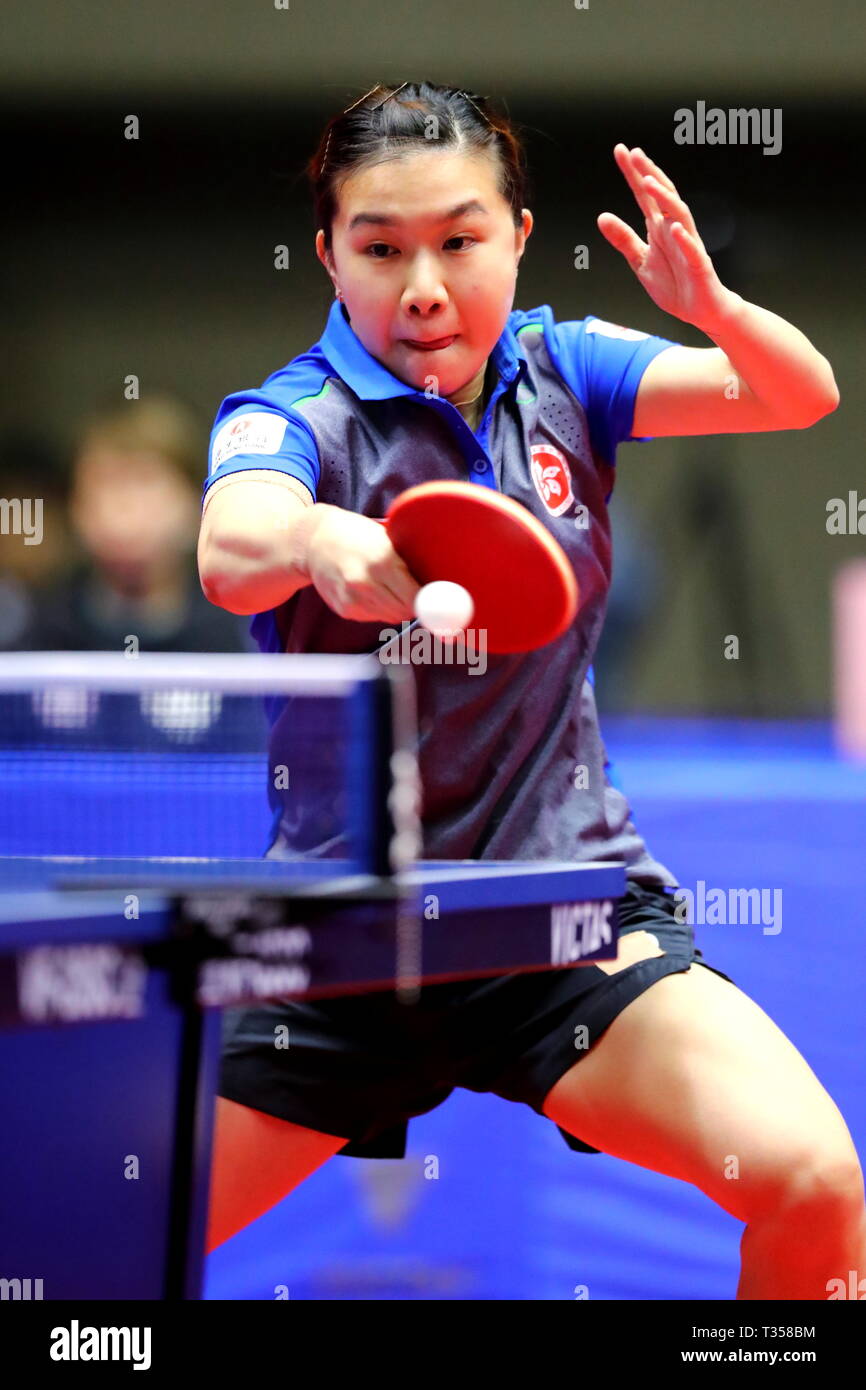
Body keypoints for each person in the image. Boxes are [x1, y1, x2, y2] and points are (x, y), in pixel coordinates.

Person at [197, 81, 863, 1299]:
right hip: (342, 948)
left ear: (515, 234)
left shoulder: (567, 372)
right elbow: (231, 543)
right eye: (380, 247)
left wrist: (710, 308)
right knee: (65, 1245)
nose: (423, 286)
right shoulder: (295, 415)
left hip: (559, 925)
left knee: (812, 1179)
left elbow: (797, 394)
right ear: (327, 256)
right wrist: (313, 543)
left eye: (459, 239)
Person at [21, 395, 251, 655]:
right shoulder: (37, 629)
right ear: (75, 506)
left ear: (197, 505)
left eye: (144, 482)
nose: (124, 506)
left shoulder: (241, 633)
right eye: (105, 483)